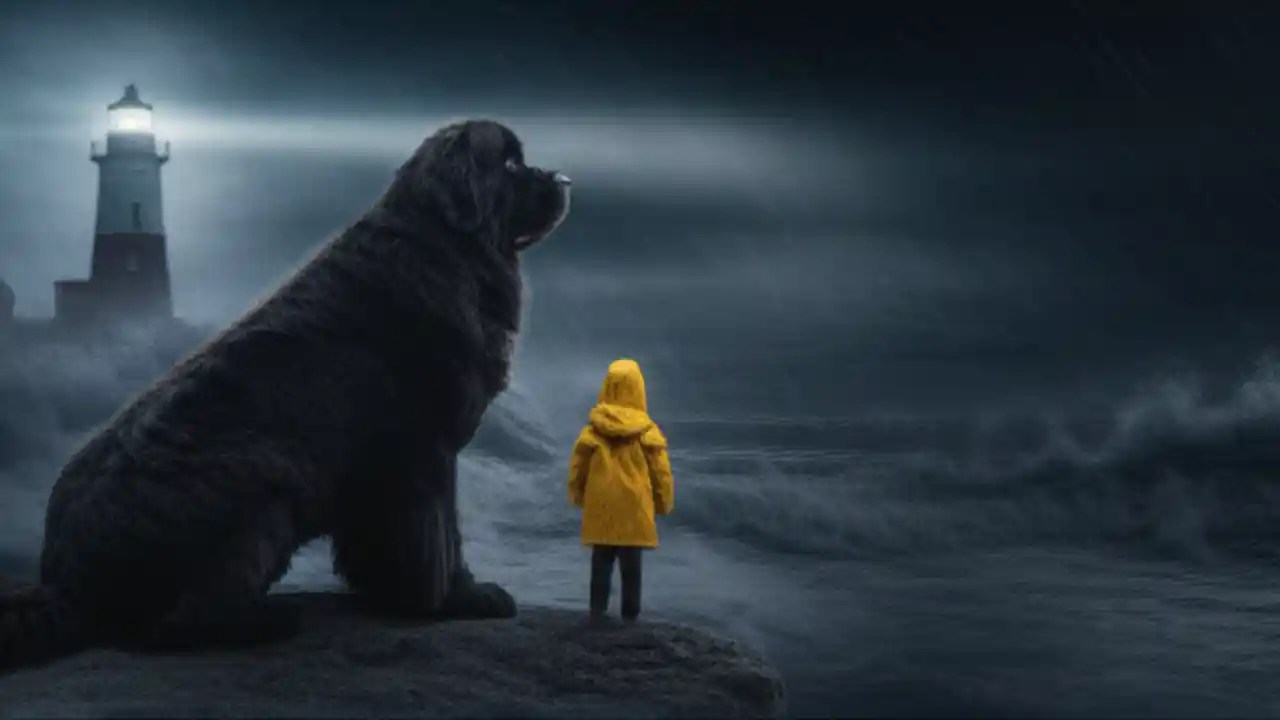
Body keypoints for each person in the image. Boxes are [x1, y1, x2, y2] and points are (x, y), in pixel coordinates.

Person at [568, 358, 675, 621]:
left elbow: (577, 468)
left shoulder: (592, 431)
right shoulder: (647, 432)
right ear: (639, 389)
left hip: (601, 507)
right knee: (632, 568)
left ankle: (596, 612)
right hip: (635, 510)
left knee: (601, 562)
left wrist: (578, 496)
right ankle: (630, 618)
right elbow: (661, 473)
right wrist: (662, 503)